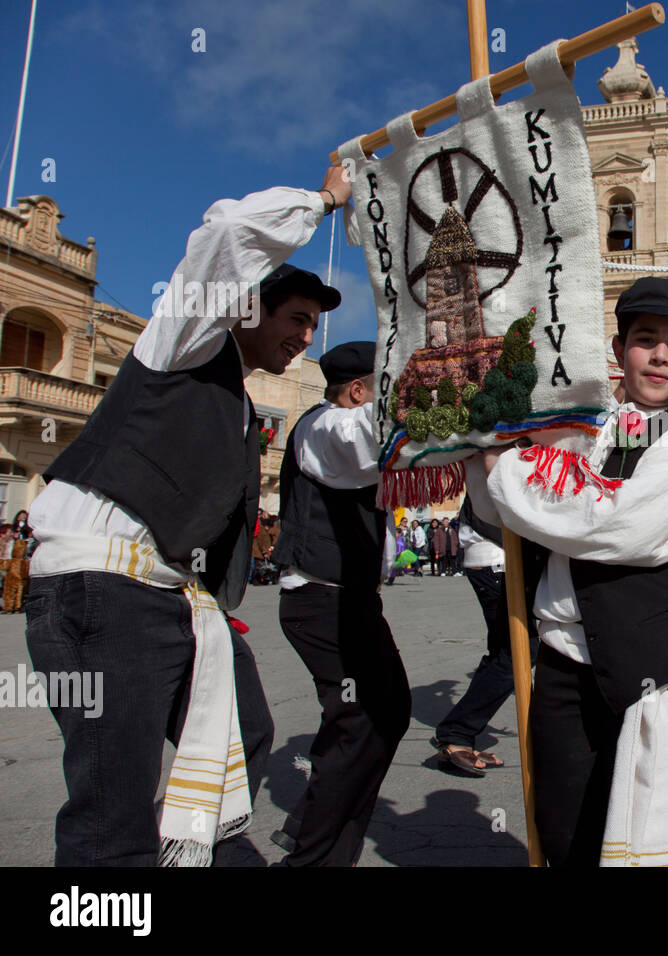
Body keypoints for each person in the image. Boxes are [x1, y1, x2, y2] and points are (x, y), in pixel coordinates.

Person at [24, 168, 349, 865]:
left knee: (247, 732)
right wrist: (321, 201)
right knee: (112, 808)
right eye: (296, 318)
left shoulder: (234, 398)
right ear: (247, 307)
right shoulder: (186, 340)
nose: (304, 338)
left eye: (312, 327)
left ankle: (182, 850)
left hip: (169, 599)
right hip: (100, 591)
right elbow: (229, 232)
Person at [477, 275, 668, 866]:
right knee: (565, 828)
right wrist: (486, 444)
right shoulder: (584, 427)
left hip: (662, 673)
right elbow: (506, 506)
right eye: (646, 339)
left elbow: (614, 525)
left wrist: (505, 470)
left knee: (661, 835)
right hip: (567, 665)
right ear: (619, 352)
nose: (661, 354)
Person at [270, 341, 410, 865]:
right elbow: (362, 439)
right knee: (361, 722)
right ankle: (311, 853)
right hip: (320, 600)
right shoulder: (323, 426)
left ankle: (316, 838)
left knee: (384, 716)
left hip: (348, 602)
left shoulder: (339, 428)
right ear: (357, 391)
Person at [433, 495, 539, 775]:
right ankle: (456, 733)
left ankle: (458, 734)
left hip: (495, 559)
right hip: (498, 560)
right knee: (519, 652)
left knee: (504, 652)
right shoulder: (500, 451)